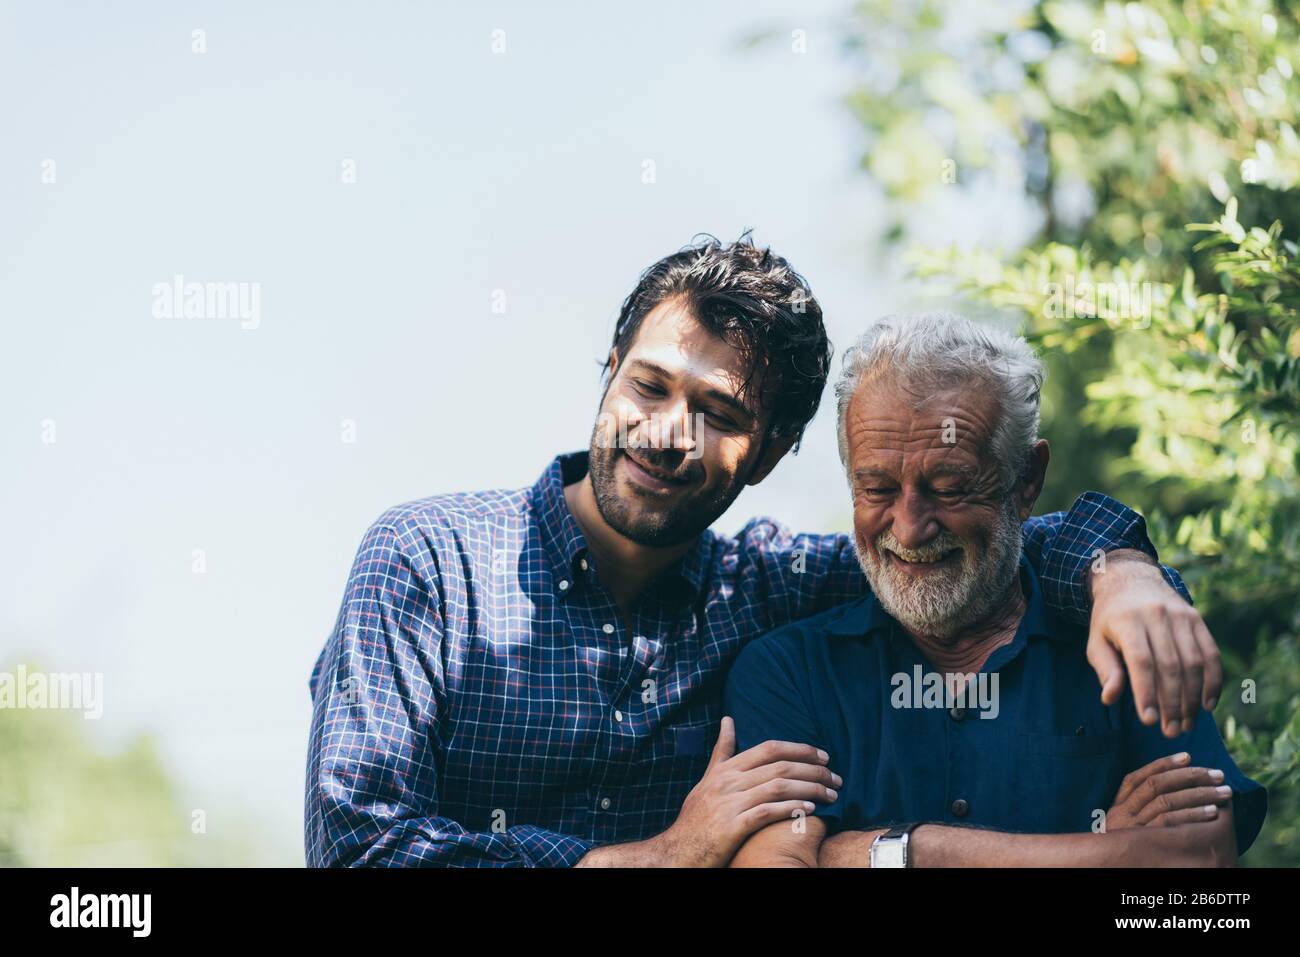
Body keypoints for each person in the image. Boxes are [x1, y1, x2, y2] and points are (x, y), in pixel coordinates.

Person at [305, 237, 1222, 867]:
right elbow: (359, 849)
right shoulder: (430, 561)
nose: (667, 434)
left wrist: (1123, 570)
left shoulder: (767, 588)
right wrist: (665, 855)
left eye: (720, 415)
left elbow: (973, 536)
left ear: (775, 453)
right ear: (609, 370)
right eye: (649, 385)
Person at [726, 313, 1265, 867]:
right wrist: (1103, 854)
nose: (910, 528)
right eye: (878, 488)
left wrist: (890, 853)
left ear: (1026, 482)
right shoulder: (789, 672)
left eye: (951, 488)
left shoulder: (1125, 637)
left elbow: (1196, 869)